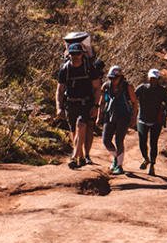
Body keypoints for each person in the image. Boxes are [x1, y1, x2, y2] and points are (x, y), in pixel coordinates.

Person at [55, 39, 105, 168]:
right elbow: (59, 90)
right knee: (74, 131)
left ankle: (73, 157)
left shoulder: (90, 69)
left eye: (78, 54)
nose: (75, 56)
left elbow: (97, 88)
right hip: (70, 104)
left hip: (86, 103)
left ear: (82, 54)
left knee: (81, 125)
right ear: (69, 55)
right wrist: (59, 107)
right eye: (73, 54)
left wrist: (96, 106)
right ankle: (81, 156)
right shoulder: (65, 70)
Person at [134, 68, 167, 173]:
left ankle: (152, 164)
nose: (153, 80)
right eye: (152, 78)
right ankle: (145, 159)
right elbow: (132, 97)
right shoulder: (141, 88)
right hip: (142, 119)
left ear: (158, 79)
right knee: (142, 141)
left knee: (153, 143)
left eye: (155, 78)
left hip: (156, 121)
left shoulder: (162, 91)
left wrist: (166, 107)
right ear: (148, 78)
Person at [97, 65, 137, 175]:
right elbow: (102, 102)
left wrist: (134, 117)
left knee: (119, 140)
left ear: (121, 77)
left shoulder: (127, 87)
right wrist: (99, 116)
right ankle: (115, 158)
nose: (113, 80)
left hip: (123, 116)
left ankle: (119, 165)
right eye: (111, 78)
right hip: (109, 115)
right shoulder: (106, 86)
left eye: (115, 78)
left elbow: (134, 103)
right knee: (106, 140)